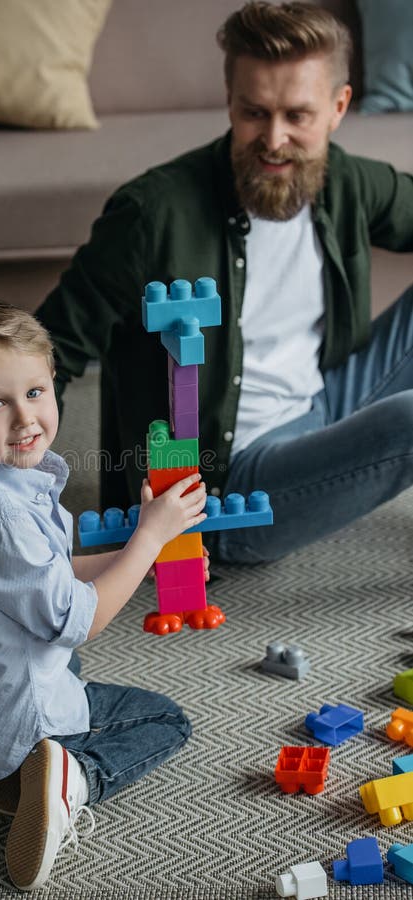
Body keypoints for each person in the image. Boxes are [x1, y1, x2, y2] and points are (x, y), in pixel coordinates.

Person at [35, 1, 413, 565]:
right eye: (254, 113)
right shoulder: (151, 214)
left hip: (325, 398)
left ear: (338, 108)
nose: (275, 139)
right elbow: (47, 350)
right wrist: (19, 496)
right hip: (224, 487)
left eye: (298, 116)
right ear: (229, 101)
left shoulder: (349, 183)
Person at [0, 297, 208, 890]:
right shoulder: (4, 518)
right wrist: (149, 538)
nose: (25, 419)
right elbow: (81, 622)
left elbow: (48, 574)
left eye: (33, 393)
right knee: (169, 719)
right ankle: (70, 777)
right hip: (16, 728)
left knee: (66, 651)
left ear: (54, 382)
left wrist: (137, 561)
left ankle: (5, 763)